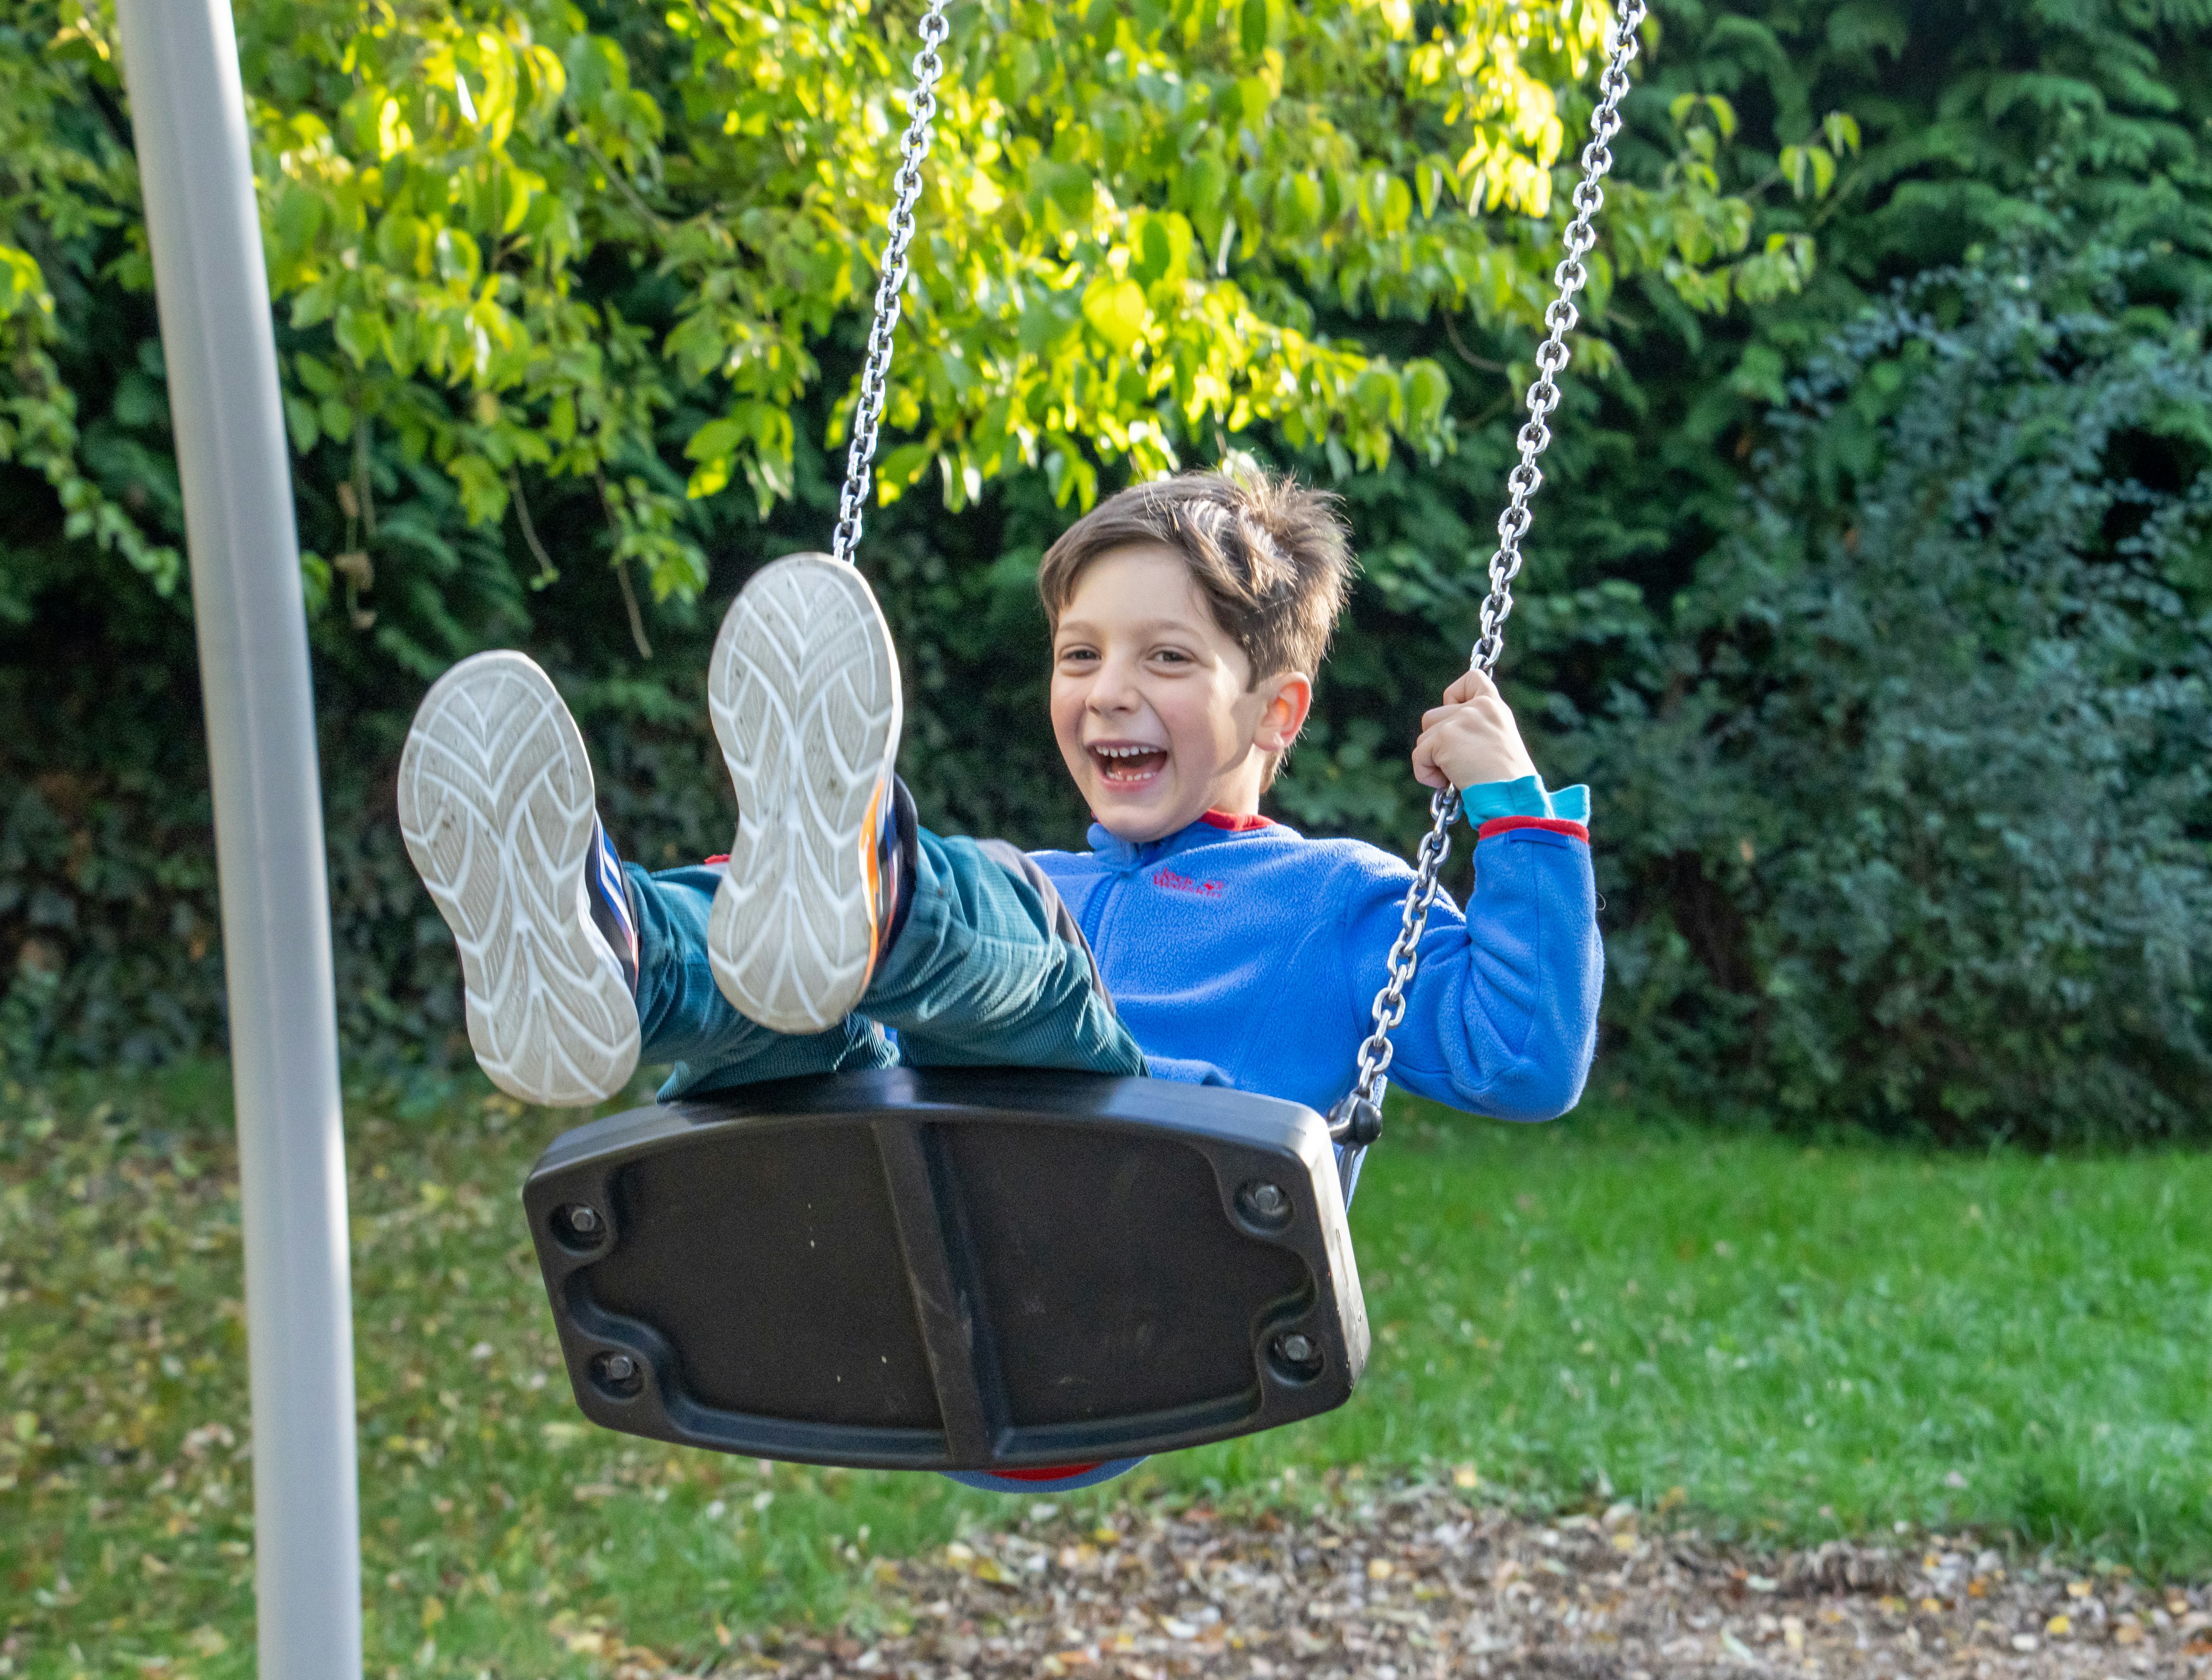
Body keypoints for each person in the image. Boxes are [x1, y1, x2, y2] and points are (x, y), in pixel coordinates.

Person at [396, 468, 1602, 1491]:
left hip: (1148, 1242)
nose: (1108, 688)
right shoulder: (1045, 886)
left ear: (1274, 712)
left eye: (1166, 657)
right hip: (911, 1256)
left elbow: (1526, 1055)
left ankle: (873, 898)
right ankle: (623, 956)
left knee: (986, 933)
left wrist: (1510, 808)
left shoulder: (1337, 899)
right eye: (1079, 654)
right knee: (807, 1017)